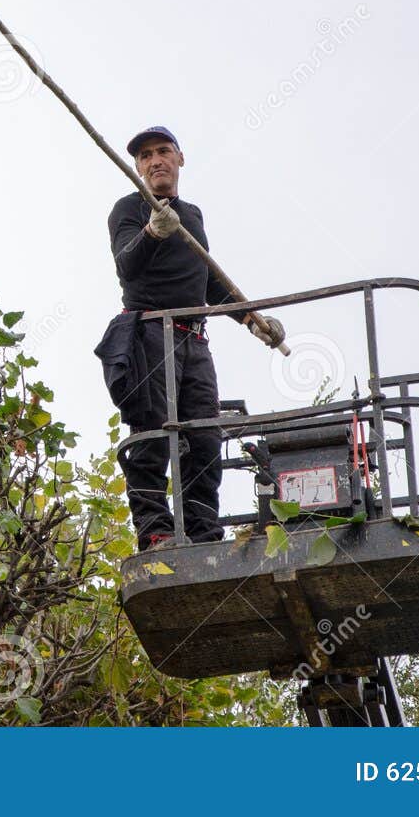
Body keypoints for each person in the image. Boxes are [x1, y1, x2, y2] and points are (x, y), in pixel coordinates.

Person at [108, 126, 284, 551]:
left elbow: (207, 280)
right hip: (150, 333)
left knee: (204, 439)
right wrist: (151, 232)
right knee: (152, 437)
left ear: (180, 158)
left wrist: (250, 318)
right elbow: (126, 268)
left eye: (163, 151)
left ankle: (202, 534)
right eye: (145, 156)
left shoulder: (194, 216)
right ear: (137, 167)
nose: (155, 161)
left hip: (195, 338)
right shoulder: (128, 210)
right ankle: (155, 534)